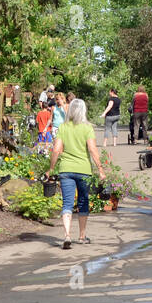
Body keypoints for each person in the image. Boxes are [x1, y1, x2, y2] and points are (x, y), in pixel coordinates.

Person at [46, 98, 103, 249]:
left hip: (66, 169)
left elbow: (56, 150)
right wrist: (101, 169)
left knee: (67, 203)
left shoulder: (63, 127)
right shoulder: (87, 128)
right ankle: (82, 237)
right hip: (84, 170)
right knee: (83, 201)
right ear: (83, 111)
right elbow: (92, 150)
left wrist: (51, 169)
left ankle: (67, 235)